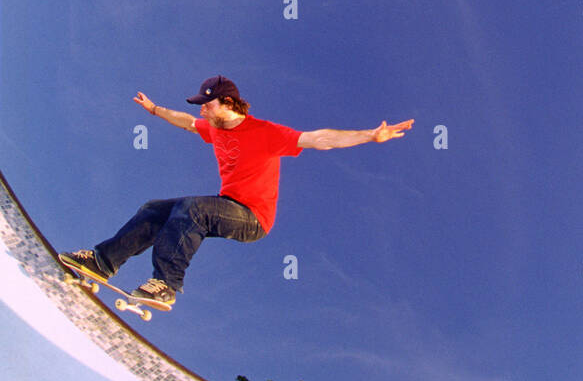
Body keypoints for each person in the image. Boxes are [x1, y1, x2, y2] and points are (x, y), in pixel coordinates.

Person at [61, 75, 413, 308]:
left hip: (254, 219)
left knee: (192, 209)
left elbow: (319, 139)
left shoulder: (266, 132)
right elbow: (185, 122)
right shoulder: (214, 128)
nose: (202, 109)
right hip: (227, 206)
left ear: (228, 103)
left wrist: (370, 135)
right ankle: (103, 262)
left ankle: (165, 284)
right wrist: (154, 110)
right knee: (155, 209)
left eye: (207, 104)